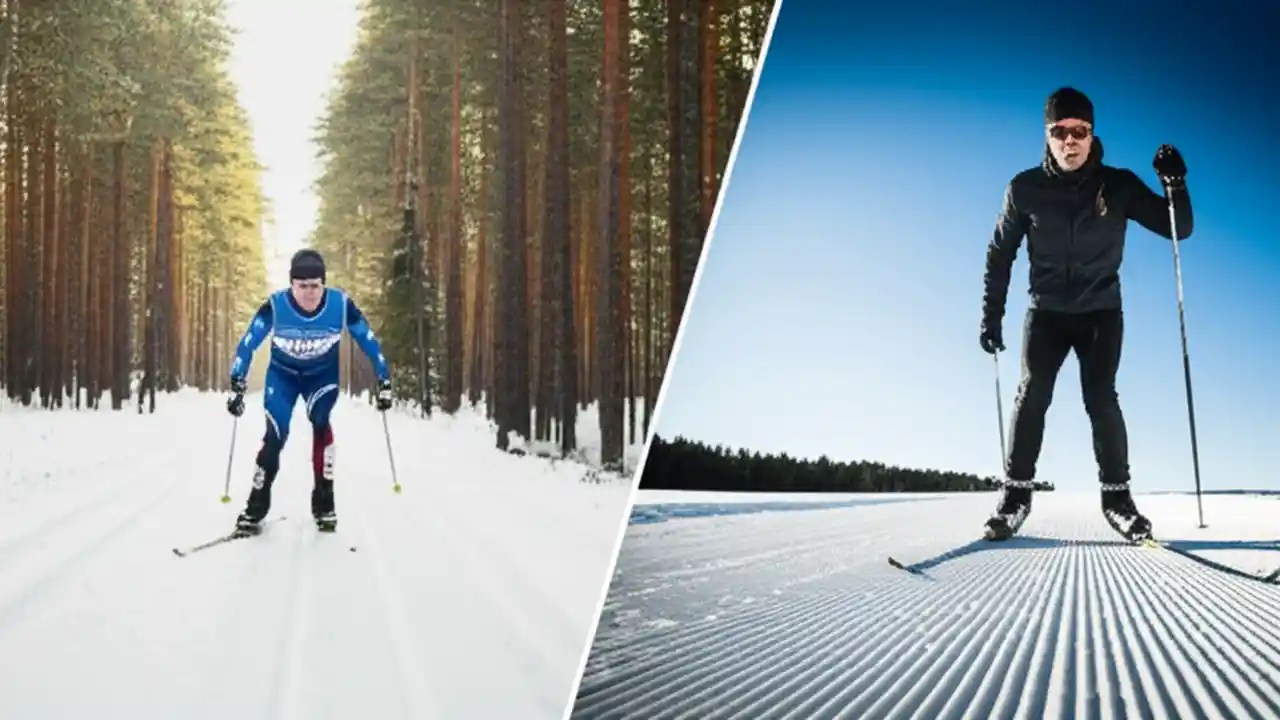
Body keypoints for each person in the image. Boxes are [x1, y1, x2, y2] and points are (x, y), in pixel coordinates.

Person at [979, 87, 1193, 542]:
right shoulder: (1024, 189)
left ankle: (1117, 501)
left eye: (1080, 131)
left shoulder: (1118, 185)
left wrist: (1175, 184)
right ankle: (1015, 497)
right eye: (1061, 132)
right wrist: (991, 317)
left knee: (1101, 398)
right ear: (1048, 134)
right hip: (1047, 314)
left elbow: (1180, 228)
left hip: (1101, 313)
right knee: (1032, 392)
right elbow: (1000, 254)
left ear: (1092, 134)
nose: (1070, 141)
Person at [225, 249, 393, 533]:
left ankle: (325, 503)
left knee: (321, 424)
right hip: (283, 377)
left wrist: (384, 378)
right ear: (291, 284)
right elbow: (248, 343)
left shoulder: (340, 305)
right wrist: (237, 382)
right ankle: (255, 508)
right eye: (302, 286)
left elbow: (368, 339)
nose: (309, 293)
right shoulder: (276, 306)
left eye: (315, 285)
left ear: (323, 284)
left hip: (321, 377)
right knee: (275, 435)